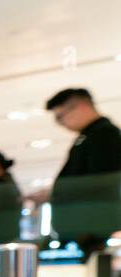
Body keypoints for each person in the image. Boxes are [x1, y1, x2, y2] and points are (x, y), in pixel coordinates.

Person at [44, 88, 121, 254]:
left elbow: (101, 182)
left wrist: (56, 193)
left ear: (81, 107)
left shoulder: (104, 134)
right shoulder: (89, 136)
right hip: (89, 224)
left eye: (60, 117)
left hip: (95, 226)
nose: (61, 123)